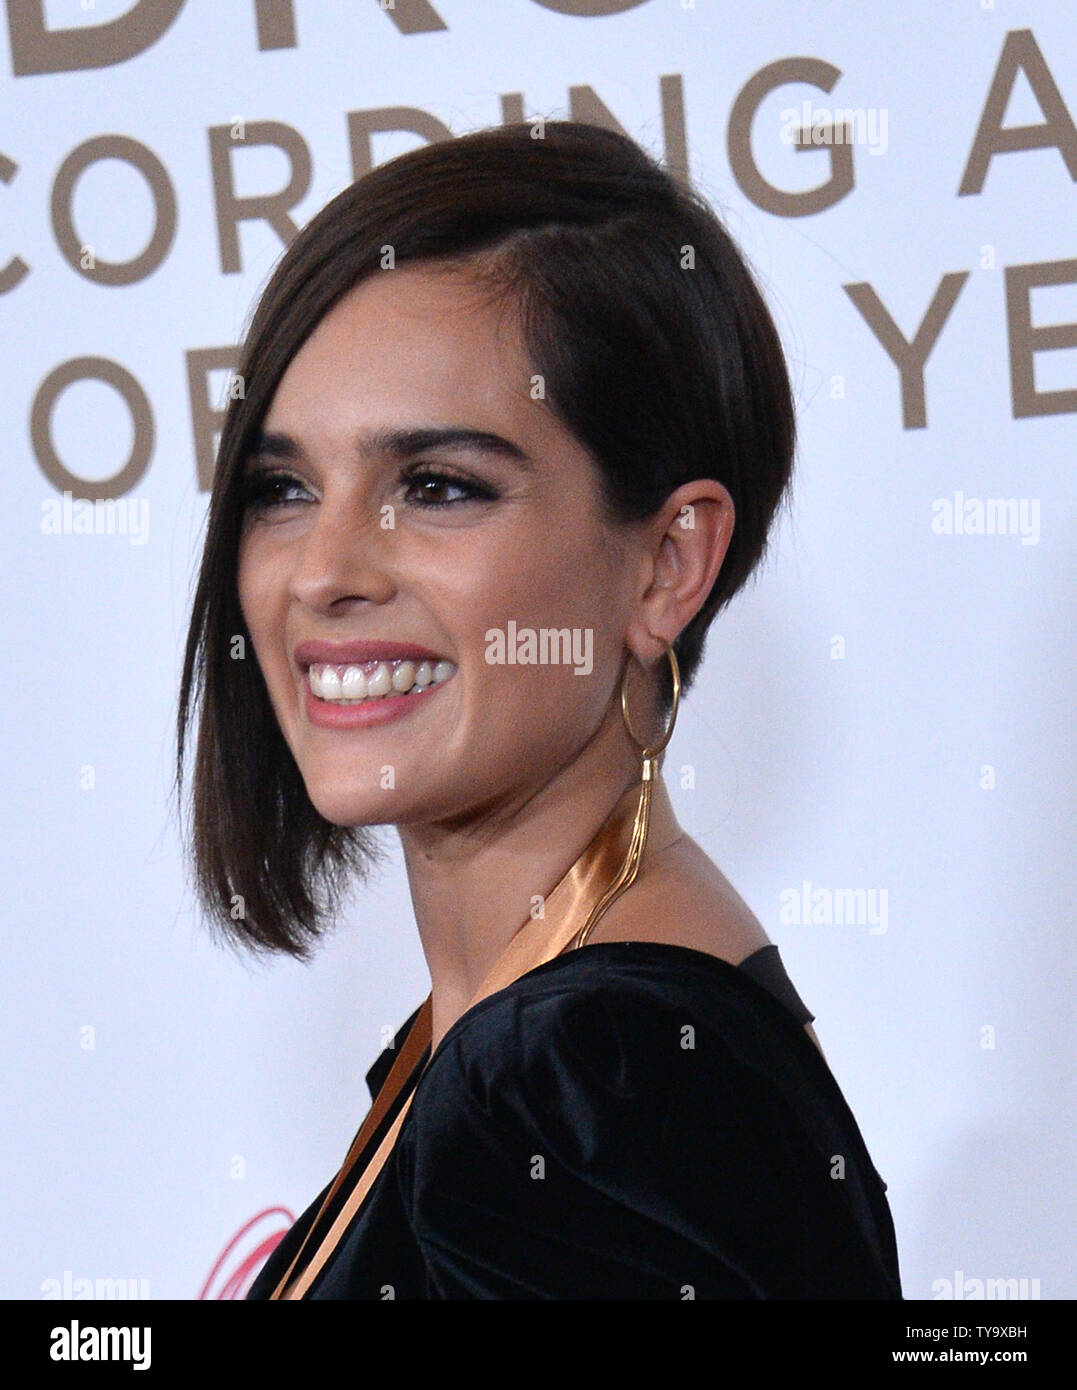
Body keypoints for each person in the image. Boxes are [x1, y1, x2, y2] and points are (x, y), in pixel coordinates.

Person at [176, 120, 903, 1299]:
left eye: (438, 485)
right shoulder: (547, 1044)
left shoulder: (587, 1088)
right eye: (284, 487)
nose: (322, 571)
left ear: (667, 564)